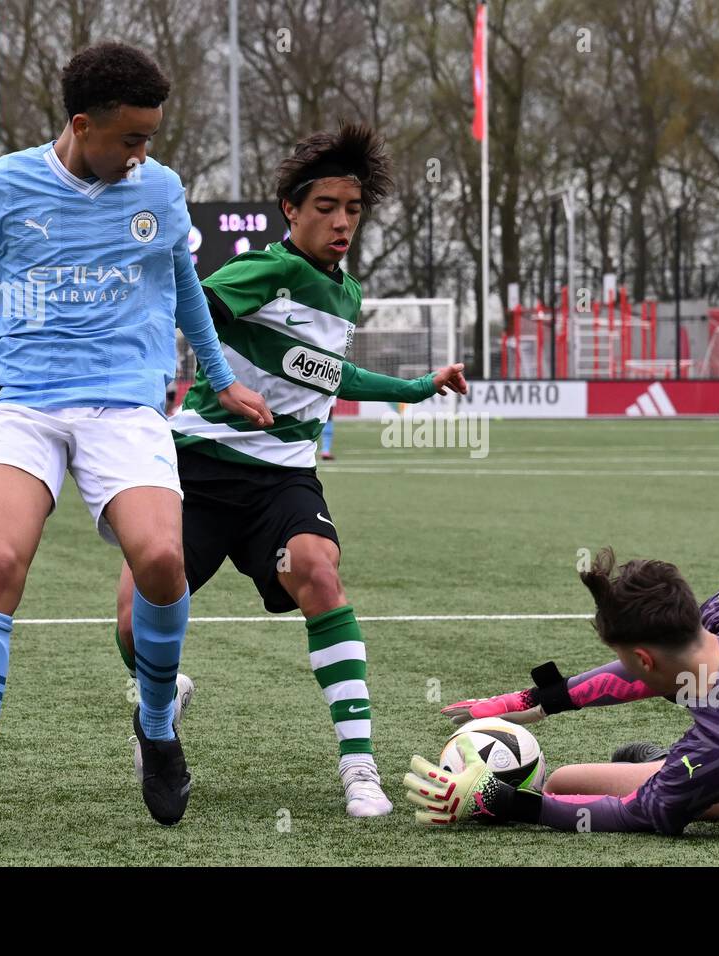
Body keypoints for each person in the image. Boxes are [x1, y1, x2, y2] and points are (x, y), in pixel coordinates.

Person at [0, 42, 270, 841]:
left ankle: (156, 722)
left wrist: (216, 379)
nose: (144, 153)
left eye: (151, 139)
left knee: (164, 561)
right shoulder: (2, 185)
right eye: (131, 139)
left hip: (126, 409)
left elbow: (181, 287)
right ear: (83, 125)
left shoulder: (161, 190)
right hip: (20, 404)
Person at [113, 122, 468, 817]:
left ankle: (360, 767)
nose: (342, 222)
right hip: (200, 471)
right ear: (292, 212)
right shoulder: (265, 269)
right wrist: (221, 374)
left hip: (283, 478)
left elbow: (331, 374)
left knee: (320, 573)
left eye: (353, 209)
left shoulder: (347, 293)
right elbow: (189, 306)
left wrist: (419, 386)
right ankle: (165, 695)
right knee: (131, 621)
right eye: (327, 207)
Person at [407, 549, 719, 834]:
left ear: (643, 659)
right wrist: (531, 702)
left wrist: (504, 800)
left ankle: (666, 767)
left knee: (564, 781)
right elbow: (662, 668)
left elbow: (630, 814)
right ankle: (671, 769)